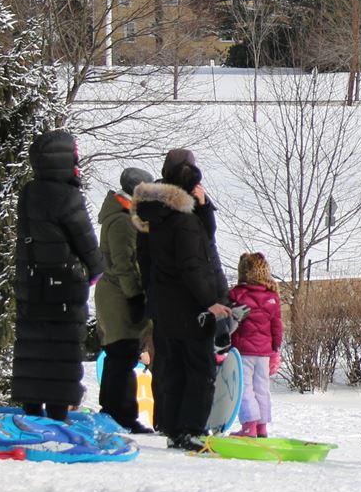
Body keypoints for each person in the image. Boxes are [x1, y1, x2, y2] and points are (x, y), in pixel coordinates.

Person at [134, 149, 232, 451]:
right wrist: (209, 302)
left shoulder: (153, 214)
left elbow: (146, 260)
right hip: (189, 306)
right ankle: (190, 429)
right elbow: (195, 263)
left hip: (163, 304)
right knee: (199, 371)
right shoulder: (185, 222)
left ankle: (174, 427)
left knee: (171, 368)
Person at [10, 129, 105, 423]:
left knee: (33, 347)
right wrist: (96, 268)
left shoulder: (29, 192)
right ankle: (57, 411)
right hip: (63, 286)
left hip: (32, 282)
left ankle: (31, 408)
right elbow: (84, 239)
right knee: (61, 349)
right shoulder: (67, 195)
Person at [93, 166, 153, 432]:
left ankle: (113, 411)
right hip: (118, 295)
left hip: (118, 292)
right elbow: (124, 264)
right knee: (122, 355)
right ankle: (121, 414)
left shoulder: (125, 217)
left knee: (121, 355)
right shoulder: (121, 220)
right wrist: (135, 297)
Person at [226, 254, 284, 439]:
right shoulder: (272, 296)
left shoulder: (237, 294)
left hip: (243, 350)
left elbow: (230, 322)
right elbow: (277, 325)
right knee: (262, 388)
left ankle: (249, 425)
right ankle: (262, 427)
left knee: (244, 388)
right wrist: (275, 348)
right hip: (265, 353)